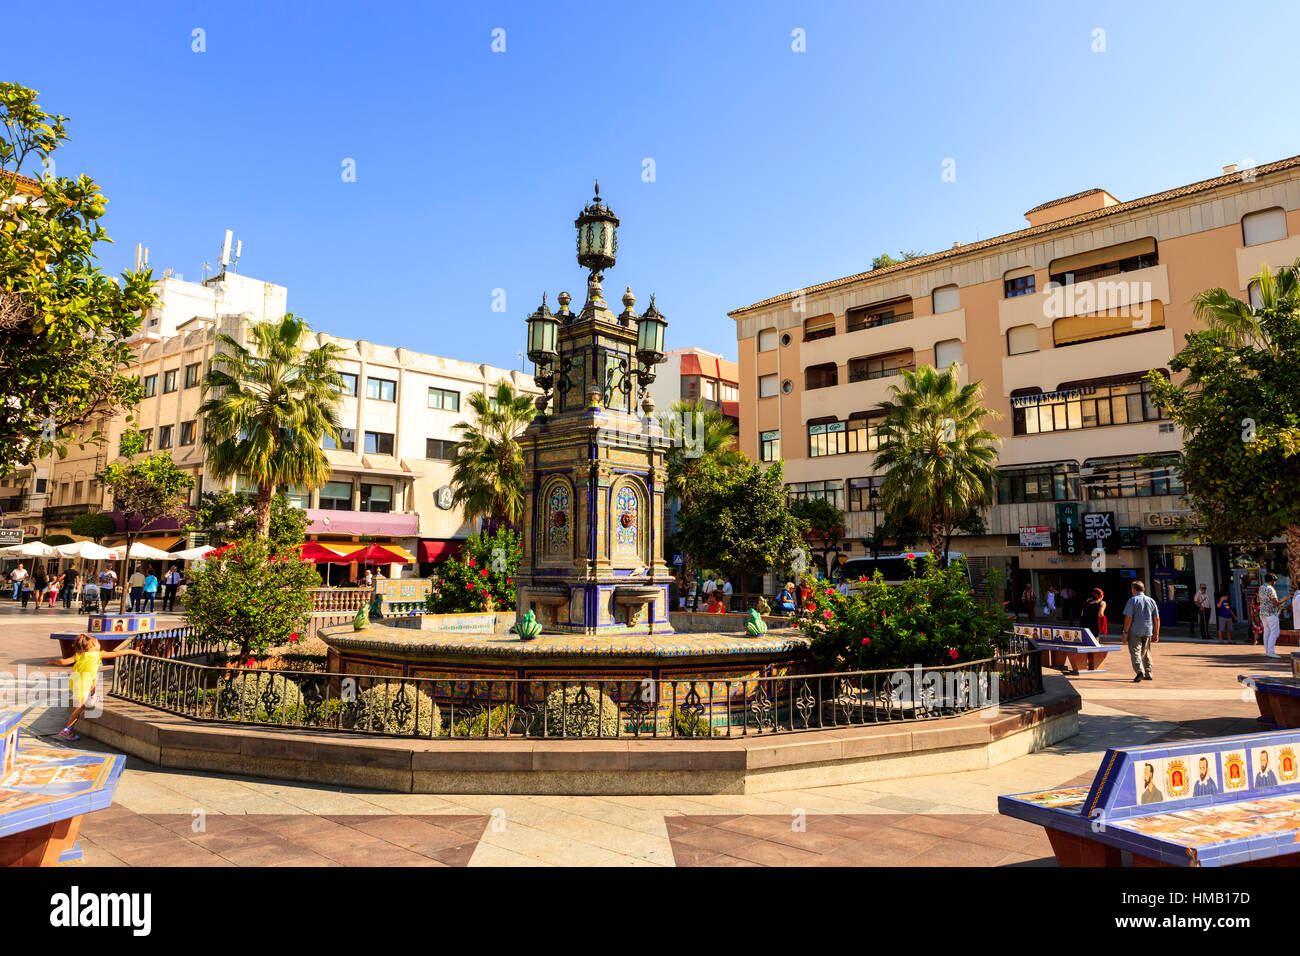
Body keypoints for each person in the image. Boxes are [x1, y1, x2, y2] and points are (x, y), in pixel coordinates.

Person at [46, 633, 142, 740]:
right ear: (93, 644)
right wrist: (131, 651)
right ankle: (67, 729)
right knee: (80, 707)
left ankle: (92, 696)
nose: (99, 644)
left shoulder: (79, 655)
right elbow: (117, 653)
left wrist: (53, 660)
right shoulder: (97, 654)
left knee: (94, 677)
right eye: (97, 642)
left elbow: (63, 662)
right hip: (83, 683)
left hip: (75, 680)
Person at [1122, 580, 1161, 683]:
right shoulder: (1151, 600)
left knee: (1135, 651)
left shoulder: (1132, 600)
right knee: (1146, 652)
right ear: (1144, 589)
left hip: (1135, 631)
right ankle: (1148, 673)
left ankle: (1140, 672)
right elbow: (1157, 618)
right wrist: (1156, 632)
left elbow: (1128, 618)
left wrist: (1125, 632)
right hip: (1148, 631)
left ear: (1133, 589)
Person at [1259, 573, 1283, 657]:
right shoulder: (1270, 589)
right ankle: (1271, 652)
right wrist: (1284, 600)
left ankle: (1268, 651)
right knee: (1275, 632)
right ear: (1272, 581)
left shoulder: (1261, 587)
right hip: (1270, 613)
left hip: (1263, 613)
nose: (1275, 583)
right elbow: (1276, 602)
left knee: (1267, 632)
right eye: (1275, 581)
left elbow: (1259, 599)